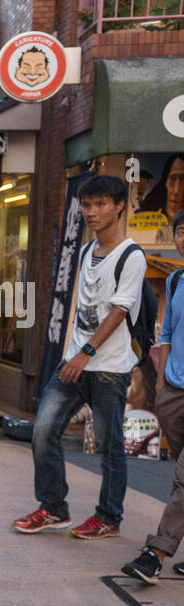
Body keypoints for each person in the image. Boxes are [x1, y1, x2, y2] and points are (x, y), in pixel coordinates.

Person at [13, 175, 146, 539]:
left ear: (119, 205)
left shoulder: (132, 255)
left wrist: (85, 353)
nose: (92, 212)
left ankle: (108, 517)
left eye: (101, 204)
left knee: (108, 446)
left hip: (107, 370)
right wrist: (73, 350)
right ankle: (54, 507)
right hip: (73, 362)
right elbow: (83, 305)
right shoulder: (88, 251)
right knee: (43, 432)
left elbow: (119, 311)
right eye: (87, 205)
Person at [122, 209, 184, 581]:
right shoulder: (175, 282)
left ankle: (155, 553)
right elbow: (166, 334)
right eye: (181, 231)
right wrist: (161, 383)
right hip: (174, 391)